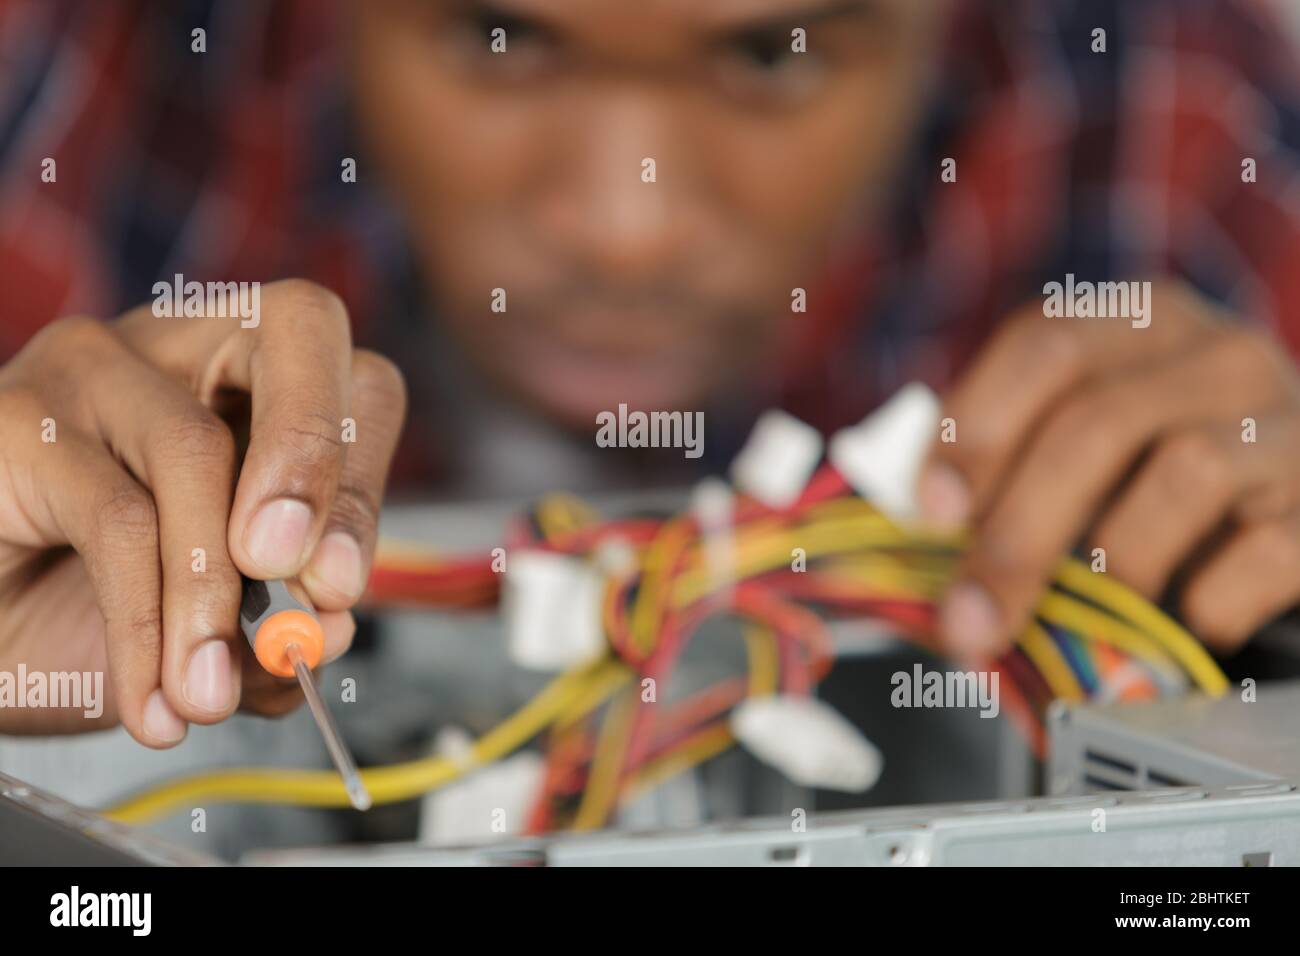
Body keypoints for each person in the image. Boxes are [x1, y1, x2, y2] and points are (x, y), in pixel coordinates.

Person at [1, 0, 1298, 747]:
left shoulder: (1167, 120)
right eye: (499, 35)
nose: (629, 229)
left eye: (774, 54)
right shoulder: (65, 80)